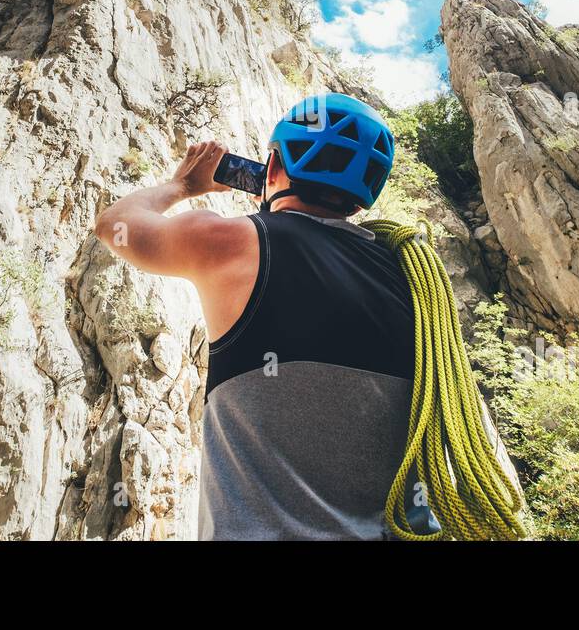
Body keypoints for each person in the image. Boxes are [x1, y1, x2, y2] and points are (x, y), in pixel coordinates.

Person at [93, 93, 437, 539]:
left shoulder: (235, 241)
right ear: (361, 198)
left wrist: (183, 186)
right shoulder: (415, 281)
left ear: (272, 168)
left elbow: (115, 224)